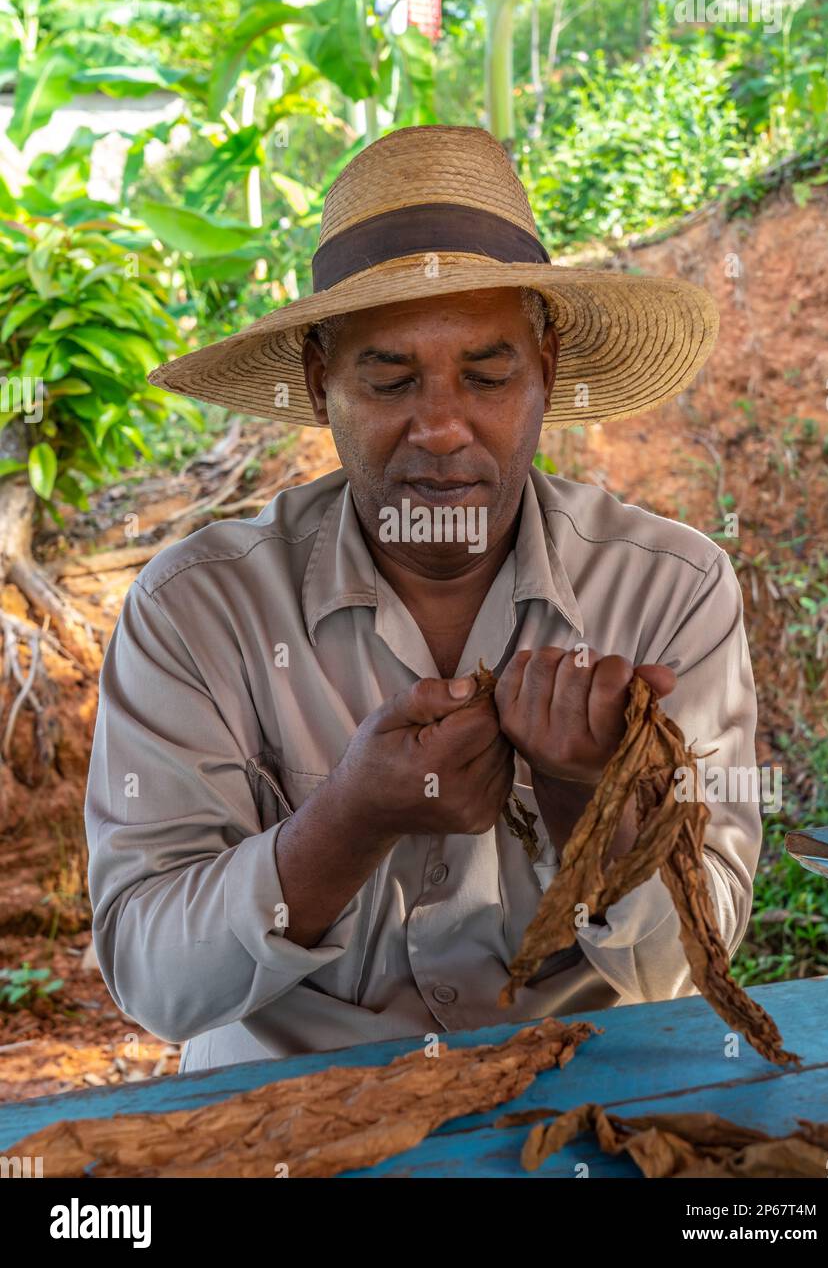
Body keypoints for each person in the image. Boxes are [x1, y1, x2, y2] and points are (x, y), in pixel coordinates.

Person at [85, 125, 760, 1074]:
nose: (441, 429)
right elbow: (155, 983)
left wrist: (586, 801)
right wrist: (345, 824)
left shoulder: (669, 590)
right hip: (278, 1119)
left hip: (575, 1096)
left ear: (548, 372)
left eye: (488, 376)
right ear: (321, 383)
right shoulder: (198, 610)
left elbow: (689, 966)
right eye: (389, 378)